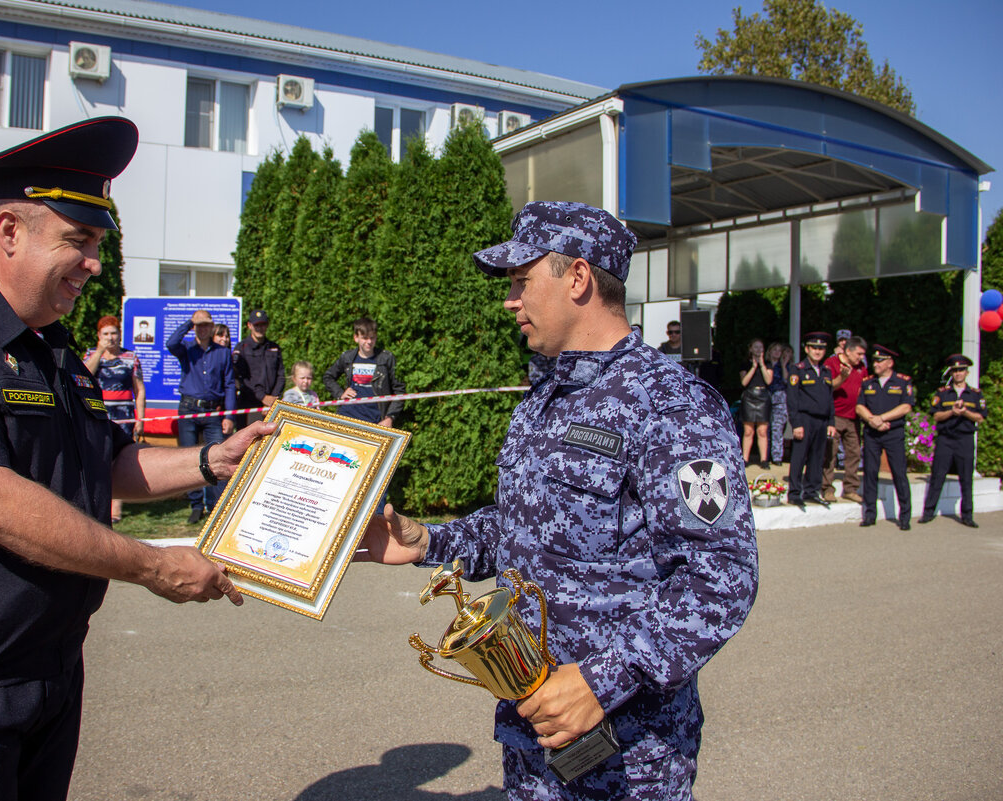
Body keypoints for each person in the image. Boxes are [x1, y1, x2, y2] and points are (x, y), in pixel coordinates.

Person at [0, 117, 273, 801]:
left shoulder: (52, 352)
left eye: (98, 243)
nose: (96, 263)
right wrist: (155, 565)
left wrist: (210, 460)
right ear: (9, 230)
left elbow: (102, 465)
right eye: (78, 240)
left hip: (48, 662)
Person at [359, 201, 758, 800]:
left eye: (522, 281)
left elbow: (721, 575)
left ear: (578, 278)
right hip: (533, 731)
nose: (509, 299)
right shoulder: (543, 400)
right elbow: (525, 528)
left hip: (628, 747)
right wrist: (429, 542)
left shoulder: (671, 403)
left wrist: (601, 681)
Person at [168, 308, 236, 525]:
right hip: (188, 409)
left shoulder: (222, 352)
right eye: (199, 325)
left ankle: (217, 507)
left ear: (212, 327)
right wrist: (190, 322)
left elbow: (229, 384)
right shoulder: (186, 348)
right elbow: (171, 343)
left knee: (217, 456)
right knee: (190, 458)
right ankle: (196, 506)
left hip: (213, 411)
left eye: (207, 325)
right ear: (194, 327)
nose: (203, 329)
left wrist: (229, 415)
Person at [84, 315, 146, 523]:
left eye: (114, 333)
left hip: (123, 415)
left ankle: (115, 508)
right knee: (97, 458)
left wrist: (141, 418)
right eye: (106, 334)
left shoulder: (131, 357)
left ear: (120, 335)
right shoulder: (91, 354)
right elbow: (85, 375)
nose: (111, 338)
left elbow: (139, 389)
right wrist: (100, 351)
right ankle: (96, 502)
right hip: (97, 413)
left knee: (117, 458)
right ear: (99, 336)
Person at [920, 354, 985, 528]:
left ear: (967, 373)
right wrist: (952, 412)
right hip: (946, 439)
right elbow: (936, 416)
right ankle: (928, 512)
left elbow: (980, 418)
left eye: (961, 370)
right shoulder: (942, 393)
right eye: (955, 371)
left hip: (964, 439)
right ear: (951, 373)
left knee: (966, 478)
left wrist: (965, 412)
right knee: (937, 476)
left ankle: (967, 515)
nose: (958, 374)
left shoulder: (975, 394)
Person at [855, 344, 915, 530]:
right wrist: (872, 420)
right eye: (874, 360)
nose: (876, 363)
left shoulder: (903, 382)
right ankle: (869, 514)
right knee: (870, 473)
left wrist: (883, 418)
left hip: (893, 433)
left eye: (880, 361)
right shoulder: (868, 382)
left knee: (899, 473)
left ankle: (904, 516)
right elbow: (859, 406)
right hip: (872, 433)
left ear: (890, 362)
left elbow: (906, 407)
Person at [323, 317, 405, 428]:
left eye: (372, 338)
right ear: (356, 338)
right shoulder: (347, 357)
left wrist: (390, 417)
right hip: (347, 416)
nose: (369, 342)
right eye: (365, 338)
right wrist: (339, 393)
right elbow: (328, 377)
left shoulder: (386, 358)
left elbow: (400, 391)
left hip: (375, 420)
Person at [786, 332, 836, 510]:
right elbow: (792, 399)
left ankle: (812, 491)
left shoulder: (826, 371)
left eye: (821, 348)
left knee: (817, 457)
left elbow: (829, 398)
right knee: (799, 457)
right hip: (804, 419)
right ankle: (794, 493)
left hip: (822, 421)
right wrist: (796, 423)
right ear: (806, 349)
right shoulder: (798, 369)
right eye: (814, 347)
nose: (817, 351)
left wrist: (831, 422)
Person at [822, 336, 868, 503]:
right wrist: (842, 376)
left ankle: (851, 488)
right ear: (848, 351)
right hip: (835, 415)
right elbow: (827, 387)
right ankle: (827, 487)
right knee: (830, 453)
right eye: (859, 354)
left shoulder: (861, 367)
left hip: (853, 416)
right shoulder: (832, 363)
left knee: (854, 453)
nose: (861, 357)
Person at [232, 309, 284, 427]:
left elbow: (280, 375)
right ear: (249, 325)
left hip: (271, 405)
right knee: (249, 442)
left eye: (263, 325)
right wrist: (262, 397)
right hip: (249, 405)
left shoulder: (274, 347)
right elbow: (241, 378)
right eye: (256, 325)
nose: (260, 328)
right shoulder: (242, 348)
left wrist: (272, 400)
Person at [738, 338, 773, 468]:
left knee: (762, 431)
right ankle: (745, 459)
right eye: (756, 347)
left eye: (761, 347)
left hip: (763, 396)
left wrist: (762, 365)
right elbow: (744, 382)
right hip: (749, 396)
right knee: (748, 431)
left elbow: (769, 380)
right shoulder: (745, 364)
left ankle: (764, 460)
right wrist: (753, 367)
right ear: (751, 349)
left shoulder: (768, 363)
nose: (759, 350)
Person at [767, 342, 789, 465]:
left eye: (779, 350)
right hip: (766, 397)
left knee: (778, 428)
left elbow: (787, 380)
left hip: (780, 397)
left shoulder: (783, 366)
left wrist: (784, 365)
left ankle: (777, 456)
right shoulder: (765, 364)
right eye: (774, 349)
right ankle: (766, 456)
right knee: (765, 429)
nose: (777, 352)